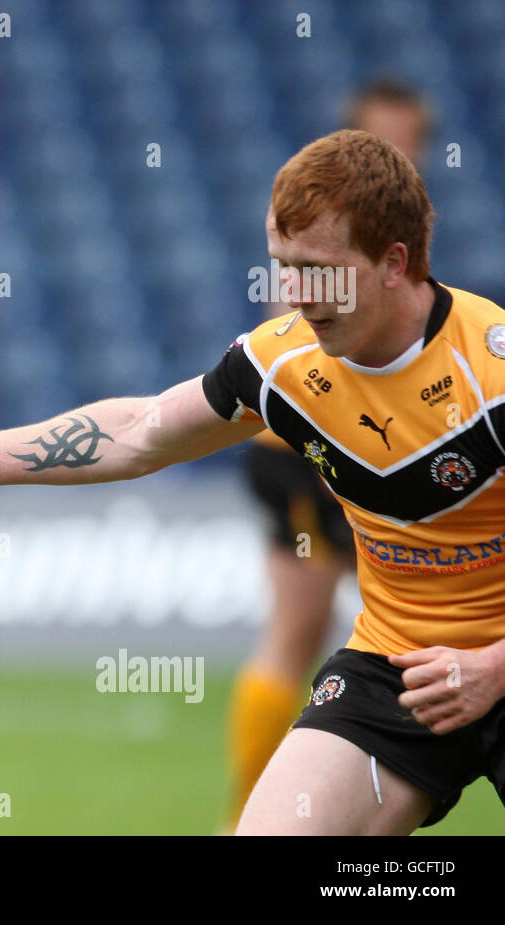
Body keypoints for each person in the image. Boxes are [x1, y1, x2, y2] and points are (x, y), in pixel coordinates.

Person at [0, 129, 505, 835]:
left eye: (319, 271)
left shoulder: (492, 374)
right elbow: (142, 431)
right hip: (397, 665)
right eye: (282, 267)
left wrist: (491, 667)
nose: (296, 296)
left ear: (394, 262)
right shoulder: (281, 366)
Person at [223, 79, 433, 829]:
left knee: (332, 637)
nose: (402, 147)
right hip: (306, 451)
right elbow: (309, 346)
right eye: (387, 133)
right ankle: (247, 812)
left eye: (411, 136)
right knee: (297, 632)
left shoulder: (385, 233)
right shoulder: (332, 228)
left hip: (357, 449)